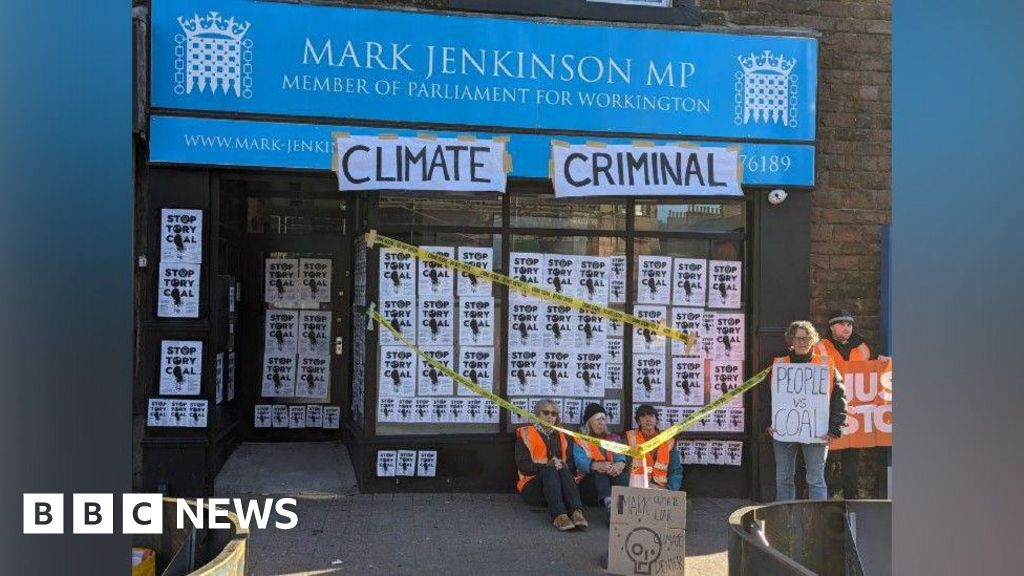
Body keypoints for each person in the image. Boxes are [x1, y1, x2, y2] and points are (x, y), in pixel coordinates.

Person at [763, 320, 847, 501]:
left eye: (806, 338)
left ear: (813, 340)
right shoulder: (779, 365)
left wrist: (835, 429)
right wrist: (767, 423)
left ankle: (817, 523)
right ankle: (785, 522)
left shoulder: (826, 366)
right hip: (783, 431)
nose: (802, 342)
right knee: (783, 478)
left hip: (817, 431)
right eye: (798, 338)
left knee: (816, 479)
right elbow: (767, 398)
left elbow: (839, 400)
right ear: (791, 341)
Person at [817, 309, 890, 499]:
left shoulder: (863, 347)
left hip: (855, 413)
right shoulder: (820, 347)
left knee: (852, 458)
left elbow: (870, 374)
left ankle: (852, 499)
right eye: (842, 324)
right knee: (824, 458)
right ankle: (824, 499)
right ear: (832, 326)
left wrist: (882, 363)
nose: (846, 328)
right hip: (829, 410)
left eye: (849, 324)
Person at [515, 399, 589, 531]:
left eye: (554, 414)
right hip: (533, 488)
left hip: (560, 489)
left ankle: (576, 512)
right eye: (546, 412)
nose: (550, 416)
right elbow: (523, 467)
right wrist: (547, 466)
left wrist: (563, 465)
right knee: (550, 469)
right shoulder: (525, 434)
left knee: (564, 469)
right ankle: (559, 516)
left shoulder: (564, 436)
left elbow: (572, 465)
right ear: (537, 415)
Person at [572, 403, 628, 509]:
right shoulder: (580, 438)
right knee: (599, 472)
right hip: (589, 481)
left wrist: (620, 464)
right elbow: (580, 461)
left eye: (603, 419)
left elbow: (619, 455)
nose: (601, 423)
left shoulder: (612, 437)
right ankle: (610, 505)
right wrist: (595, 465)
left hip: (610, 476)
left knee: (622, 475)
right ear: (589, 422)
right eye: (597, 419)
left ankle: (622, 507)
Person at [624, 404, 683, 491]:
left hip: (661, 489)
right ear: (638, 421)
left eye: (651, 416)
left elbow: (676, 471)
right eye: (643, 416)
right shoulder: (630, 438)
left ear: (656, 420)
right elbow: (624, 467)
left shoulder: (668, 440)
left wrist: (669, 489)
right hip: (636, 488)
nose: (648, 419)